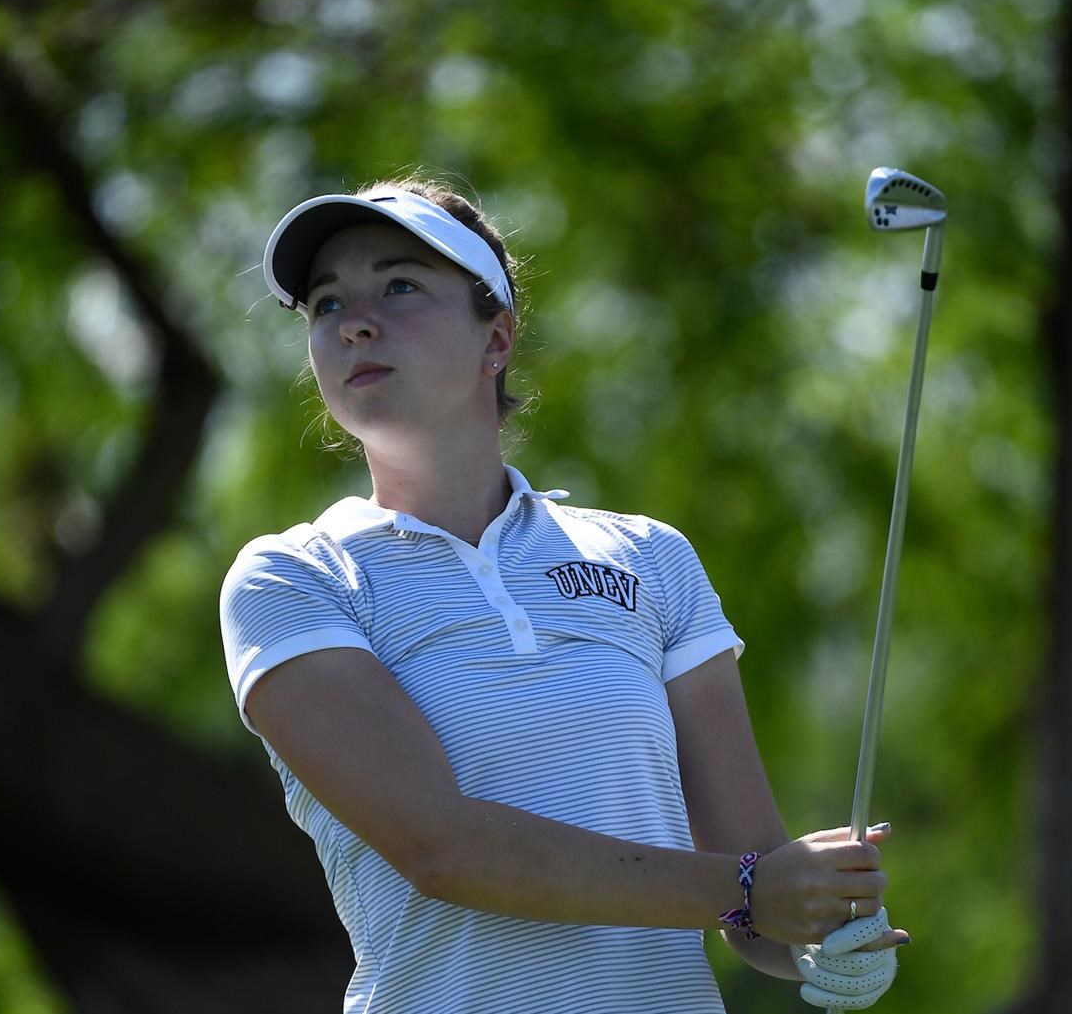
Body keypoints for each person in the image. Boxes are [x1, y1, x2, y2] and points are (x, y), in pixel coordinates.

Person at [219, 179, 911, 1013]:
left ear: (496, 338)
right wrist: (754, 888)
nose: (354, 320)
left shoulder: (650, 558)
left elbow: (750, 897)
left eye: (399, 285)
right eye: (326, 304)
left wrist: (819, 936)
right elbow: (441, 848)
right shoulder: (293, 578)